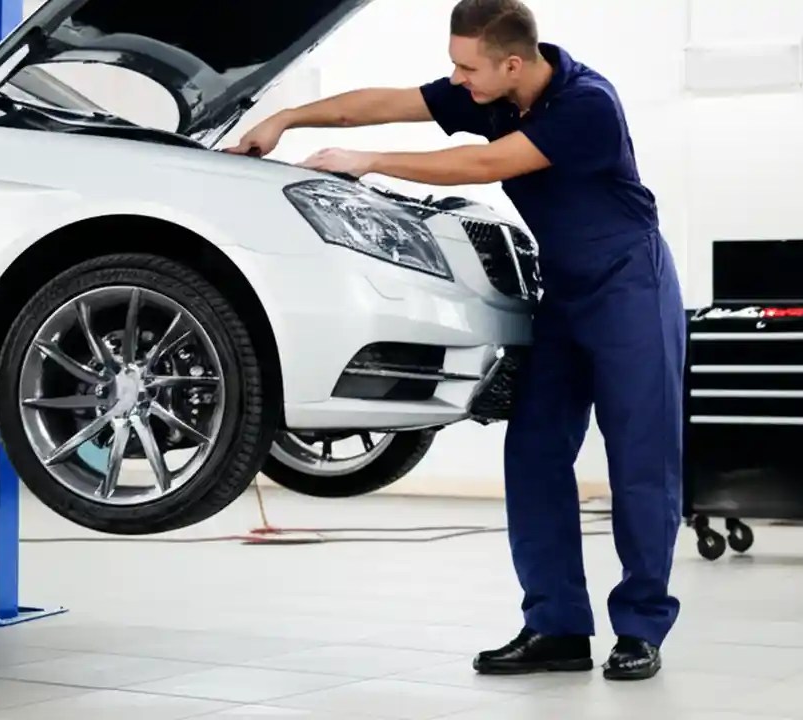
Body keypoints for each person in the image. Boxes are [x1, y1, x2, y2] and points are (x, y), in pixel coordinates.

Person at [227, 0, 684, 681]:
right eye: (453, 63)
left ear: (512, 62)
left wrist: (367, 163)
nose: (455, 78)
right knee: (532, 453)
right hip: (561, 293)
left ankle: (640, 628)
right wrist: (287, 118)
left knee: (641, 460)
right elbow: (381, 102)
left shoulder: (588, 103)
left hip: (630, 286)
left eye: (466, 67)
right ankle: (555, 627)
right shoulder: (491, 91)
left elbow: (484, 165)